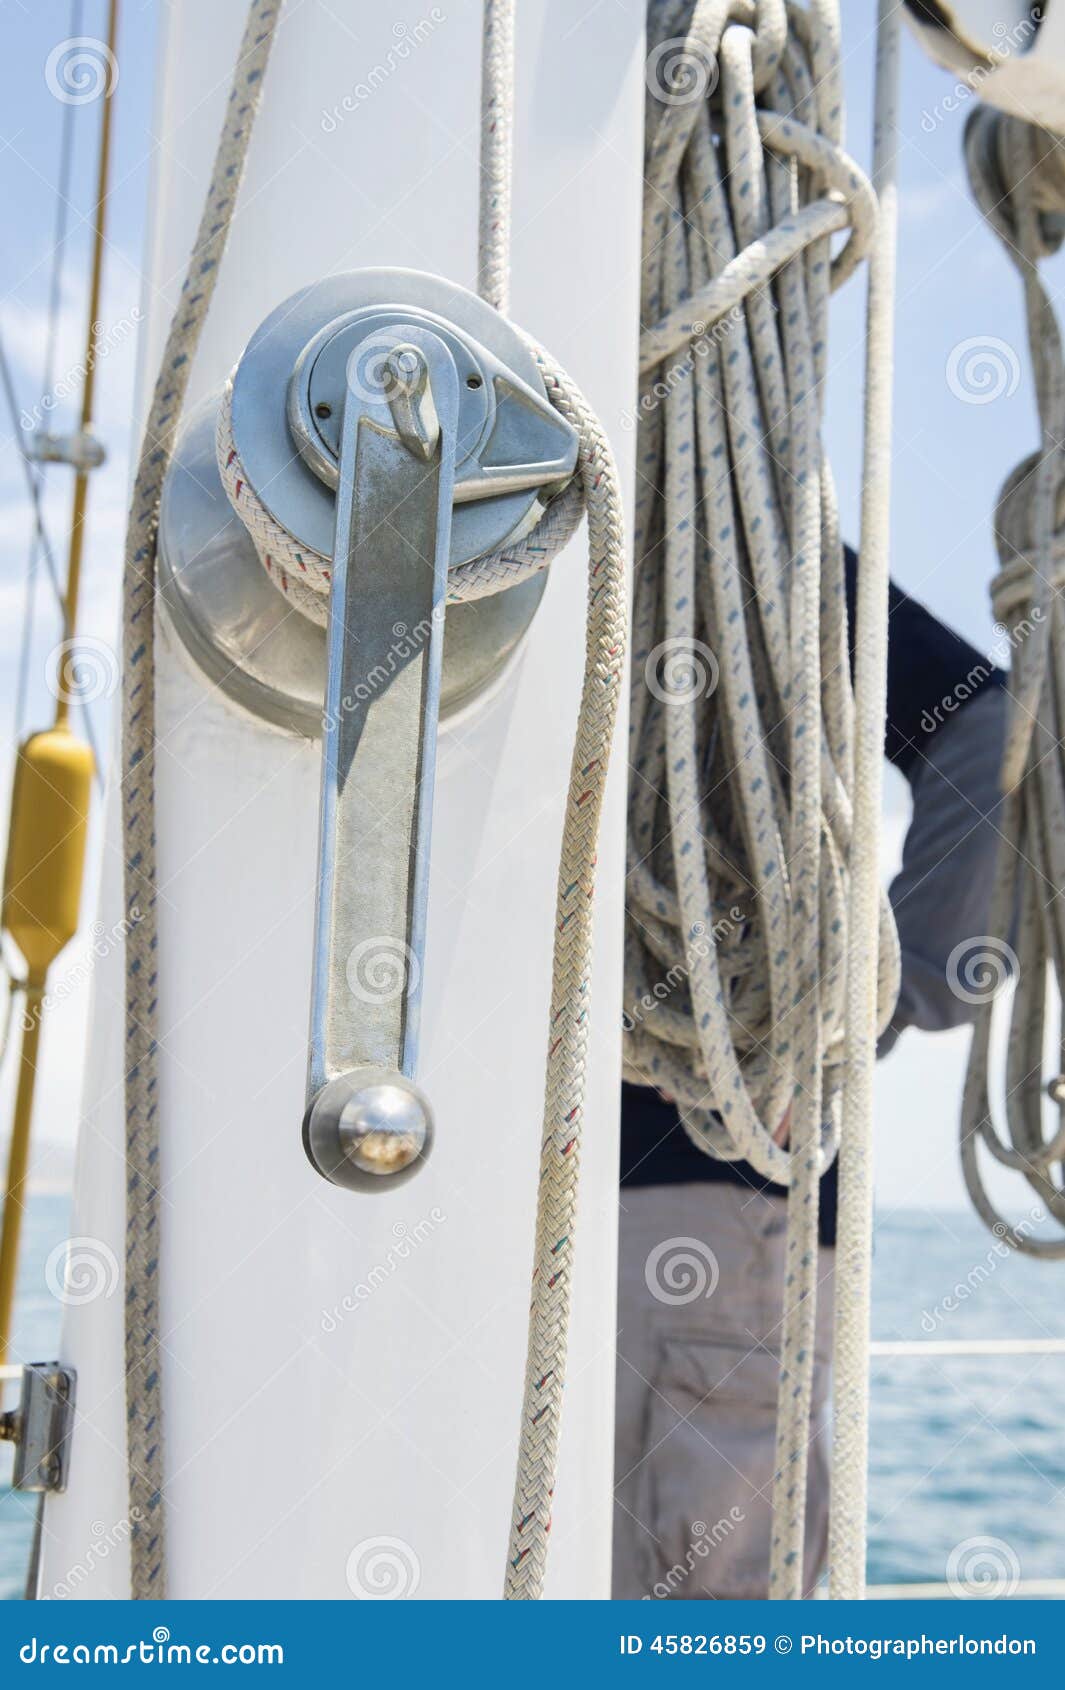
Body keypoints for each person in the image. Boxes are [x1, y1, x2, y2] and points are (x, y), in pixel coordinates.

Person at [613, 548, 1008, 1600]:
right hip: (542, 1205)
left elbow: (989, 738)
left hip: (703, 1191)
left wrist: (866, 1010)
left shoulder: (747, 535)